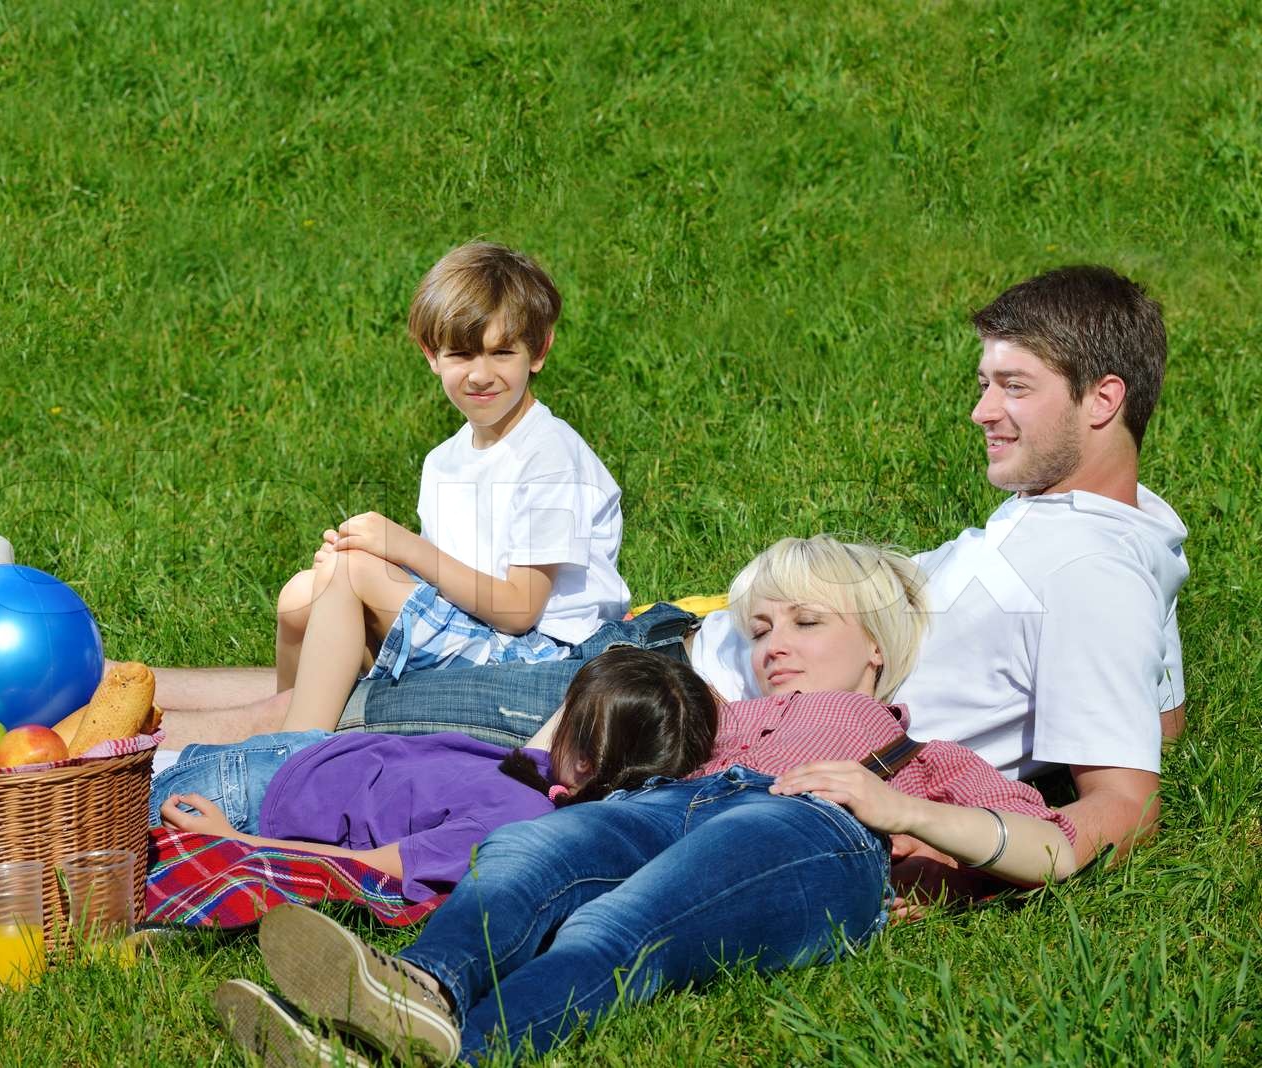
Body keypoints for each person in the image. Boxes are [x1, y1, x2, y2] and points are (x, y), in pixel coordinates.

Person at [158, 264, 1187, 883]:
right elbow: (1154, 715)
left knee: (336, 719)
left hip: (658, 711)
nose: (978, 411)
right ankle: (120, 689)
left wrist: (963, 828)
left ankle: (92, 743)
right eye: (982, 382)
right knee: (353, 669)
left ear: (1102, 401)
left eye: (1010, 386)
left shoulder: (1093, 569)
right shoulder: (1118, 528)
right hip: (671, 643)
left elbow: (1122, 799)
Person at [213, 537, 1085, 1064]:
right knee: (526, 856)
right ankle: (417, 990)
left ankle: (456, 1052)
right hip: (671, 808)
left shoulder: (918, 754)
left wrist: (905, 813)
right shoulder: (714, 717)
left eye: (807, 624)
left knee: (620, 929)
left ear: (877, 648)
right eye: (762, 629)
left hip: (813, 827)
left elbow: (1051, 848)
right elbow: (556, 761)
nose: (776, 644)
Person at [269, 241, 632, 735]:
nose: (481, 374)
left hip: (546, 661)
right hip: (485, 632)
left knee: (348, 573)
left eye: (502, 352)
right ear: (431, 355)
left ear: (539, 351)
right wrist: (373, 559)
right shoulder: (445, 460)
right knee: (302, 594)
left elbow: (519, 610)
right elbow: (453, 583)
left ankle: (295, 750)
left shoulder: (549, 455)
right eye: (461, 354)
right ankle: (282, 721)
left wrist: (402, 550)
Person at [150, 646, 715, 903]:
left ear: (589, 762)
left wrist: (236, 844)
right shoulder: (546, 778)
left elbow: (366, 868)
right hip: (299, 759)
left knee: (77, 807)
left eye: (570, 710)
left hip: (255, 799)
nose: (558, 713)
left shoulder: (518, 825)